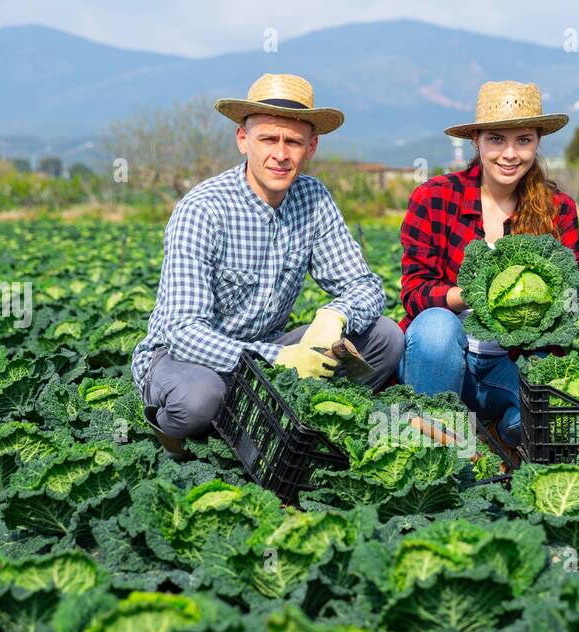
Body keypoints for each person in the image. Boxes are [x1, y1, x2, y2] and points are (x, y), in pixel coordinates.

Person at [130, 73, 404, 457]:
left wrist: (336, 315)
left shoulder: (313, 199)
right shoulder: (204, 208)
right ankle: (176, 431)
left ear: (311, 147)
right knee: (199, 399)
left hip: (267, 346)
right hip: (190, 360)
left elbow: (365, 284)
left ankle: (282, 423)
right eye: (268, 139)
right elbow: (180, 330)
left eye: (293, 141)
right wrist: (281, 359)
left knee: (386, 338)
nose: (281, 154)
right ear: (243, 141)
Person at [397, 80, 579, 452]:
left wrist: (531, 313)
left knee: (545, 418)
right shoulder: (434, 198)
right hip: (445, 359)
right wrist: (472, 295)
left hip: (511, 365)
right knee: (435, 325)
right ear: (476, 141)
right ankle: (435, 442)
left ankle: (504, 431)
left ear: (538, 142)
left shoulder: (558, 209)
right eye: (496, 139)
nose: (510, 154)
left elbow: (568, 303)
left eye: (523, 140)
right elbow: (414, 294)